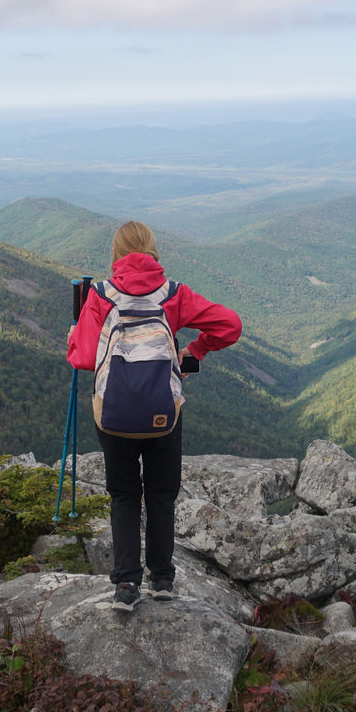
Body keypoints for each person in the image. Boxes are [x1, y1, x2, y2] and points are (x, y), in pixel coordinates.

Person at [67, 220, 241, 611]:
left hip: (113, 416)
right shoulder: (173, 295)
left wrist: (74, 336)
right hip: (164, 415)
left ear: (116, 254)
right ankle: (162, 580)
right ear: (152, 251)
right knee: (161, 495)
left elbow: (81, 358)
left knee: (125, 496)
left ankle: (127, 584)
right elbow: (231, 325)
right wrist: (195, 350)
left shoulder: (100, 296)